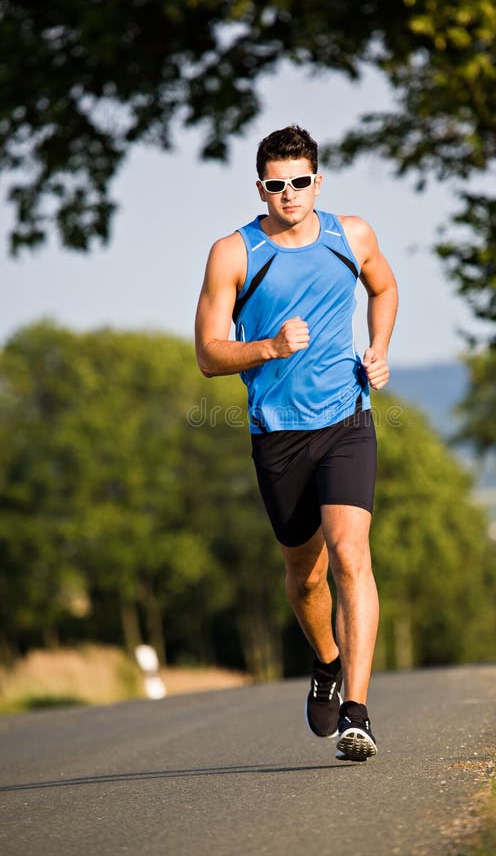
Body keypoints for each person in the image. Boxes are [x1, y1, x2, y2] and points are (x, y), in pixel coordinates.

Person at [195, 125, 398, 762]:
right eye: (277, 185)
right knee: (304, 575)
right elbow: (207, 355)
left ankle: (357, 713)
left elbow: (384, 288)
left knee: (350, 555)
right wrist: (269, 348)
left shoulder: (351, 235)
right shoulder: (234, 252)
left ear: (318, 181)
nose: (290, 195)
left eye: (301, 182)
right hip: (276, 433)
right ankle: (326, 661)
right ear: (261, 188)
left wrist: (379, 350)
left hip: (347, 420)